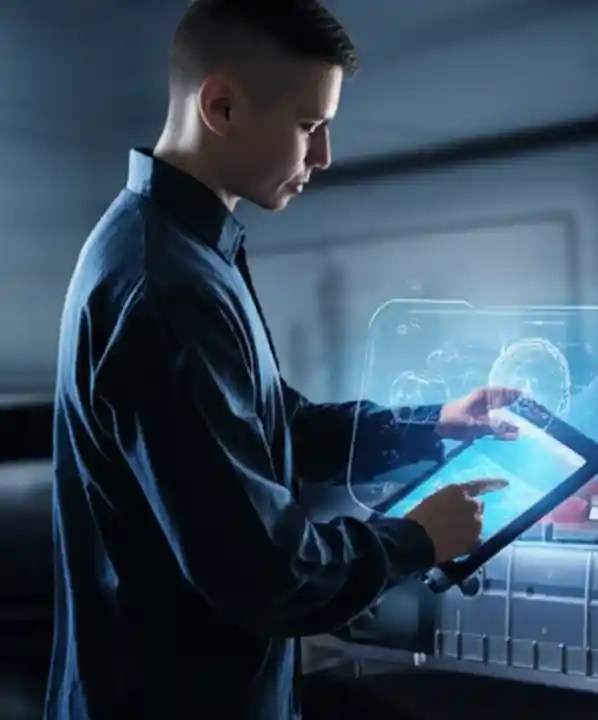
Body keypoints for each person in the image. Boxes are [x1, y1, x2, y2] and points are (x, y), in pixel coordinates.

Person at [45, 1, 519, 718]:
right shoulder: (167, 288)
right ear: (223, 105)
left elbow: (273, 430)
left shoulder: (183, 249)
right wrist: (416, 541)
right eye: (309, 125)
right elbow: (266, 571)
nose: (323, 155)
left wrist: (433, 426)